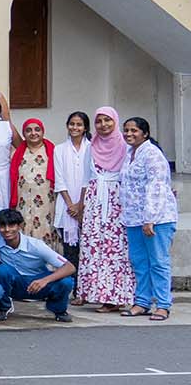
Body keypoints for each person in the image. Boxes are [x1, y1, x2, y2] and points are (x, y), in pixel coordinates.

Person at [76, 107, 135, 312]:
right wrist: (82, 205)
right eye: (99, 121)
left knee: (116, 248)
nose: (103, 125)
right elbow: (86, 178)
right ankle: (97, 294)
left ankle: (117, 297)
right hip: (95, 202)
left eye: (107, 120)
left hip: (117, 201)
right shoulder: (91, 147)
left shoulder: (125, 147)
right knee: (96, 247)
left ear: (115, 121)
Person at [119, 116, 177, 321]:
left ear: (145, 133)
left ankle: (163, 304)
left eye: (134, 130)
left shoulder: (152, 154)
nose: (129, 134)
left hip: (156, 219)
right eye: (126, 130)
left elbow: (157, 187)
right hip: (133, 219)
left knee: (158, 261)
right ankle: (142, 302)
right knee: (139, 262)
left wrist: (150, 218)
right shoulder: (129, 154)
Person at [0, 208, 75, 323]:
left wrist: (44, 280)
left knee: (66, 281)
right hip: (16, 283)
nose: (7, 230)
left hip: (39, 283)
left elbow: (70, 267)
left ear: (20, 226)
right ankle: (3, 307)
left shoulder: (36, 245)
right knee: (1, 270)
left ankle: (59, 310)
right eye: (2, 226)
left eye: (11, 225)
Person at [9, 118, 58, 243]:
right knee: (24, 223)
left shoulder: (52, 151)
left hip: (47, 198)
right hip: (23, 199)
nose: (33, 133)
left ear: (43, 132)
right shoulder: (18, 152)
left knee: (45, 224)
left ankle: (48, 259)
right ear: (24, 134)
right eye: (28, 130)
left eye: (37, 129)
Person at [52, 111, 91, 264]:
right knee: (70, 252)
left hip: (88, 203)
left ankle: (86, 287)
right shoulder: (59, 149)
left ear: (85, 128)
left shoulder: (92, 148)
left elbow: (89, 178)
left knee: (88, 249)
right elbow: (59, 178)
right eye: (72, 124)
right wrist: (71, 206)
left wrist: (80, 205)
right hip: (66, 206)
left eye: (79, 124)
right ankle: (73, 286)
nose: (75, 127)